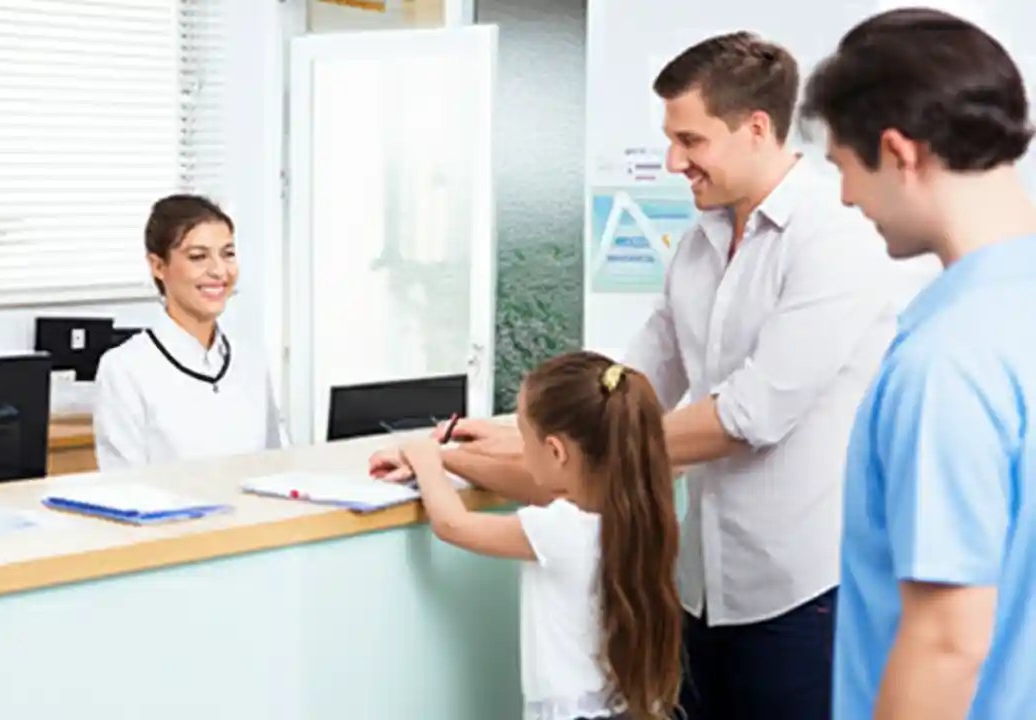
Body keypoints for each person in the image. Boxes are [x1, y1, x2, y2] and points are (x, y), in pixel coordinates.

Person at [374, 31, 920, 720]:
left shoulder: (834, 239)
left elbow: (746, 416)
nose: (673, 161)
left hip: (802, 593)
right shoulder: (698, 244)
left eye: (690, 140)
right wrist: (481, 441)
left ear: (756, 128)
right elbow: (626, 391)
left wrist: (542, 451)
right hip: (695, 592)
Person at [802, 9, 1036, 719]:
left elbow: (946, 640)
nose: (846, 197)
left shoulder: (950, 359)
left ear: (900, 154)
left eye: (844, 167)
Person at [393, 351, 681, 720]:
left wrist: (425, 457)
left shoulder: (559, 528)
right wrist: (455, 457)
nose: (520, 453)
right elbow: (542, 487)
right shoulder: (637, 511)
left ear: (557, 452)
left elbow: (453, 525)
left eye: (525, 442)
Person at [94, 194, 282, 469]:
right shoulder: (124, 368)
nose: (219, 271)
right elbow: (124, 490)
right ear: (158, 266)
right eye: (198, 257)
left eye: (227, 254)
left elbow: (274, 466)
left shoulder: (251, 359)